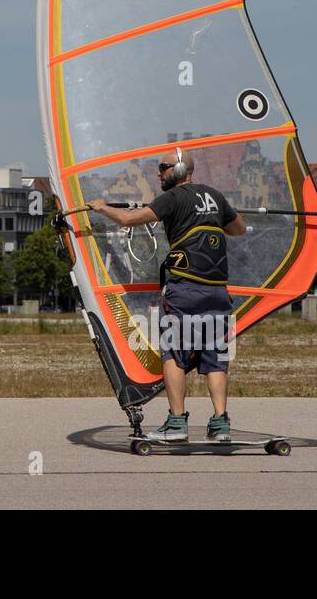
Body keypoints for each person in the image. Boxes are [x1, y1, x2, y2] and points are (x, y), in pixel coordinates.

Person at [89, 147, 246, 441]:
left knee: (174, 352)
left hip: (184, 289)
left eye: (162, 168)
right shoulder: (215, 195)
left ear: (175, 171)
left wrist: (102, 208)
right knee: (215, 357)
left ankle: (176, 422)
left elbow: (128, 219)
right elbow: (239, 228)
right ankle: (220, 422)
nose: (158, 173)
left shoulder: (172, 197)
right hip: (217, 291)